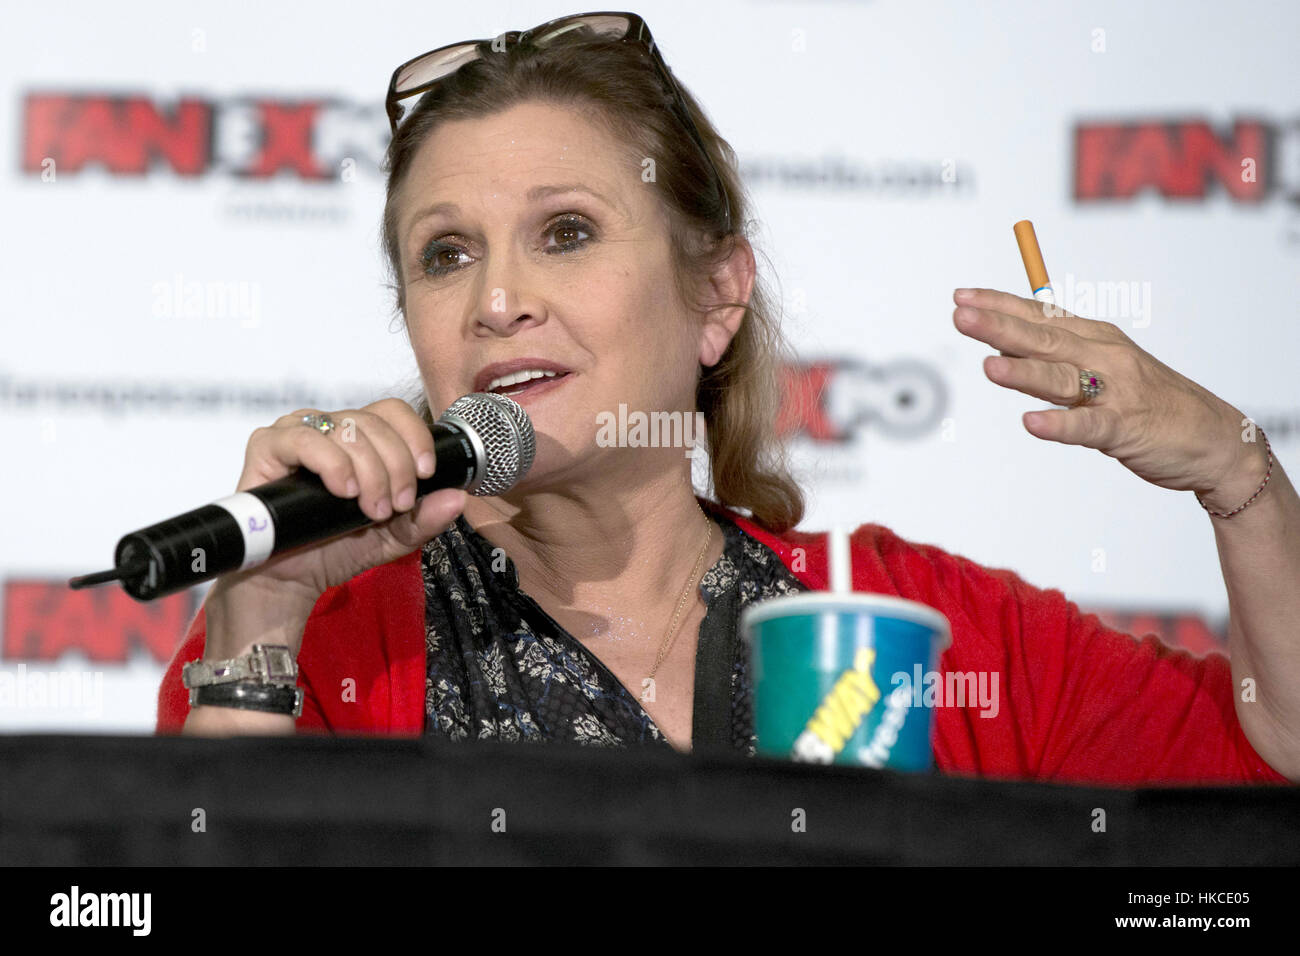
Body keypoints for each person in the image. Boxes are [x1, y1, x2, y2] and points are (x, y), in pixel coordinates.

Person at [157, 12, 1298, 786]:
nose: (498, 299)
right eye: (445, 254)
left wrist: (1243, 478)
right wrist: (259, 628)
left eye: (566, 232)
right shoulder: (322, 637)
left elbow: (1269, 766)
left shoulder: (918, 622)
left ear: (715, 295)